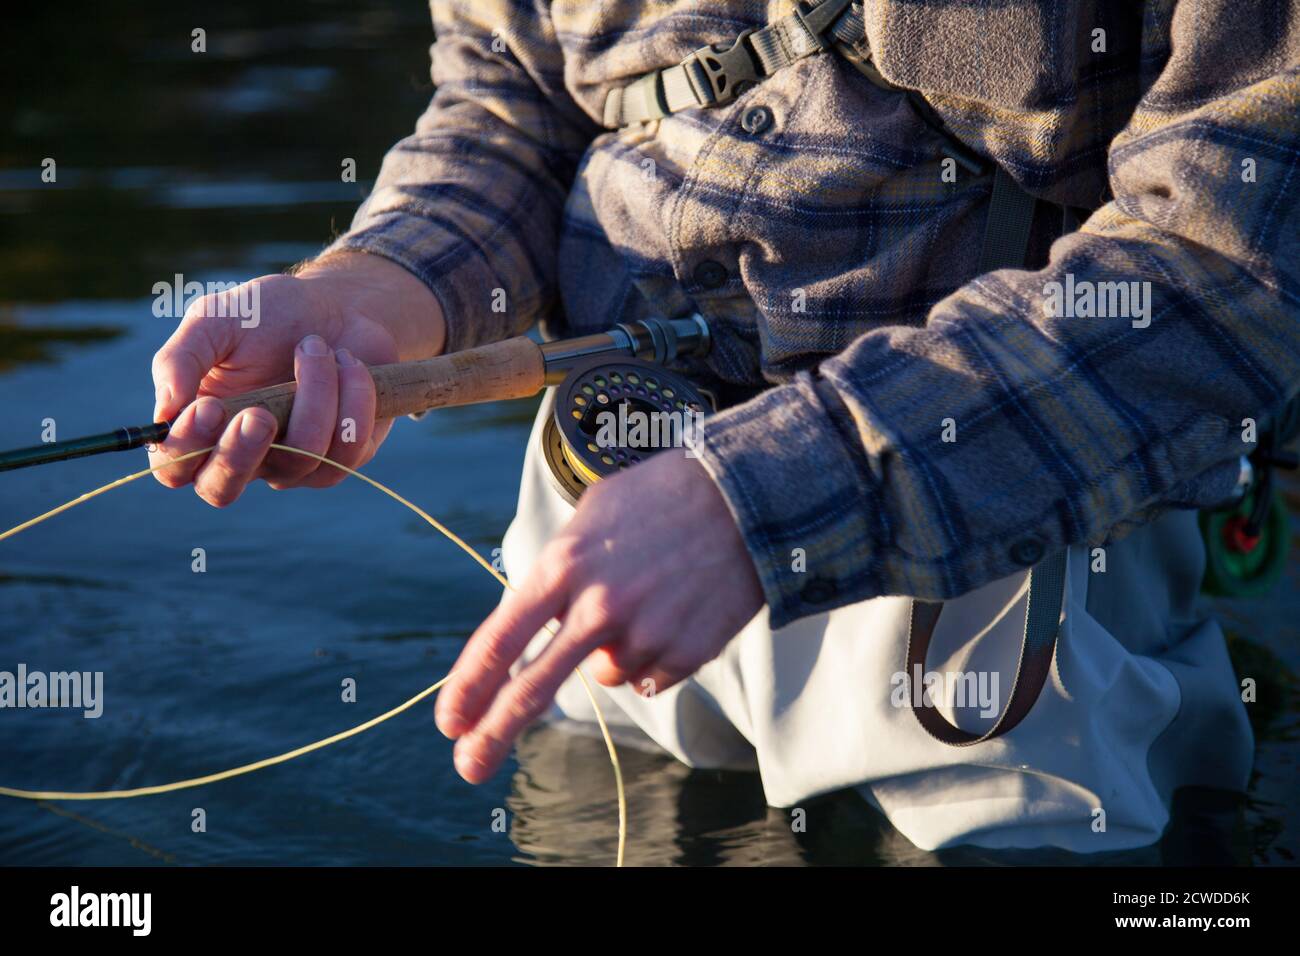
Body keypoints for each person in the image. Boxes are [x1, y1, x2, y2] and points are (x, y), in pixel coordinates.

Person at [148, 0, 1298, 852]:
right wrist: (383, 286)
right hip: (599, 535)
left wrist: (769, 497)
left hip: (1009, 570)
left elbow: (1227, 262)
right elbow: (514, 99)